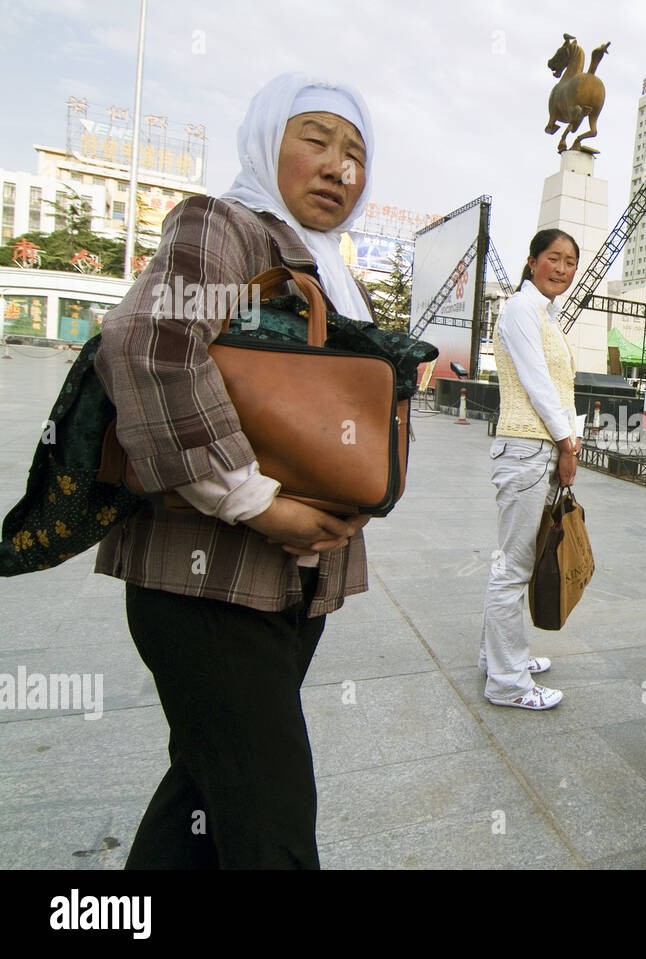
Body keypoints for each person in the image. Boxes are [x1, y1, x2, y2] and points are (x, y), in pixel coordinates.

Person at [94, 73, 377, 868]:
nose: (338, 168)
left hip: (284, 588)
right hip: (210, 588)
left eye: (355, 153)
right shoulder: (224, 225)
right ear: (265, 141)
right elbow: (150, 347)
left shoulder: (327, 266)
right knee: (273, 832)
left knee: (202, 798)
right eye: (314, 139)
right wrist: (255, 501)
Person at [479, 229, 581, 710]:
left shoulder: (543, 314)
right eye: (553, 259)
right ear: (532, 260)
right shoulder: (522, 310)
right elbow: (539, 385)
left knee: (512, 562)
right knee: (514, 568)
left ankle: (495, 655)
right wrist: (567, 444)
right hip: (528, 449)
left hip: (531, 448)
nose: (562, 269)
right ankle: (508, 682)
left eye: (570, 262)